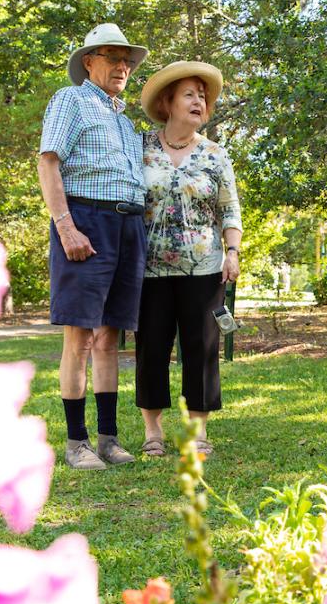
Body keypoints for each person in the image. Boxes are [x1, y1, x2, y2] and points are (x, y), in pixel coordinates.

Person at [38, 24, 149, 470]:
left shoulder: (124, 121)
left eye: (128, 60)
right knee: (80, 338)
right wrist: (66, 227)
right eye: (112, 57)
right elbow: (49, 163)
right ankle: (76, 442)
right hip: (86, 220)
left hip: (128, 225)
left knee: (109, 338)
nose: (123, 66)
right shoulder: (72, 100)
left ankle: (108, 439)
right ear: (89, 62)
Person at [136, 61, 242, 456]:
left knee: (200, 347)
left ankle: (198, 432)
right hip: (148, 268)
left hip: (204, 267)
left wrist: (232, 251)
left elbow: (230, 209)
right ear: (168, 103)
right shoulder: (141, 147)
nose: (199, 101)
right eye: (189, 94)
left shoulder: (216, 155)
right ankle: (153, 433)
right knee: (151, 347)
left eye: (203, 96)